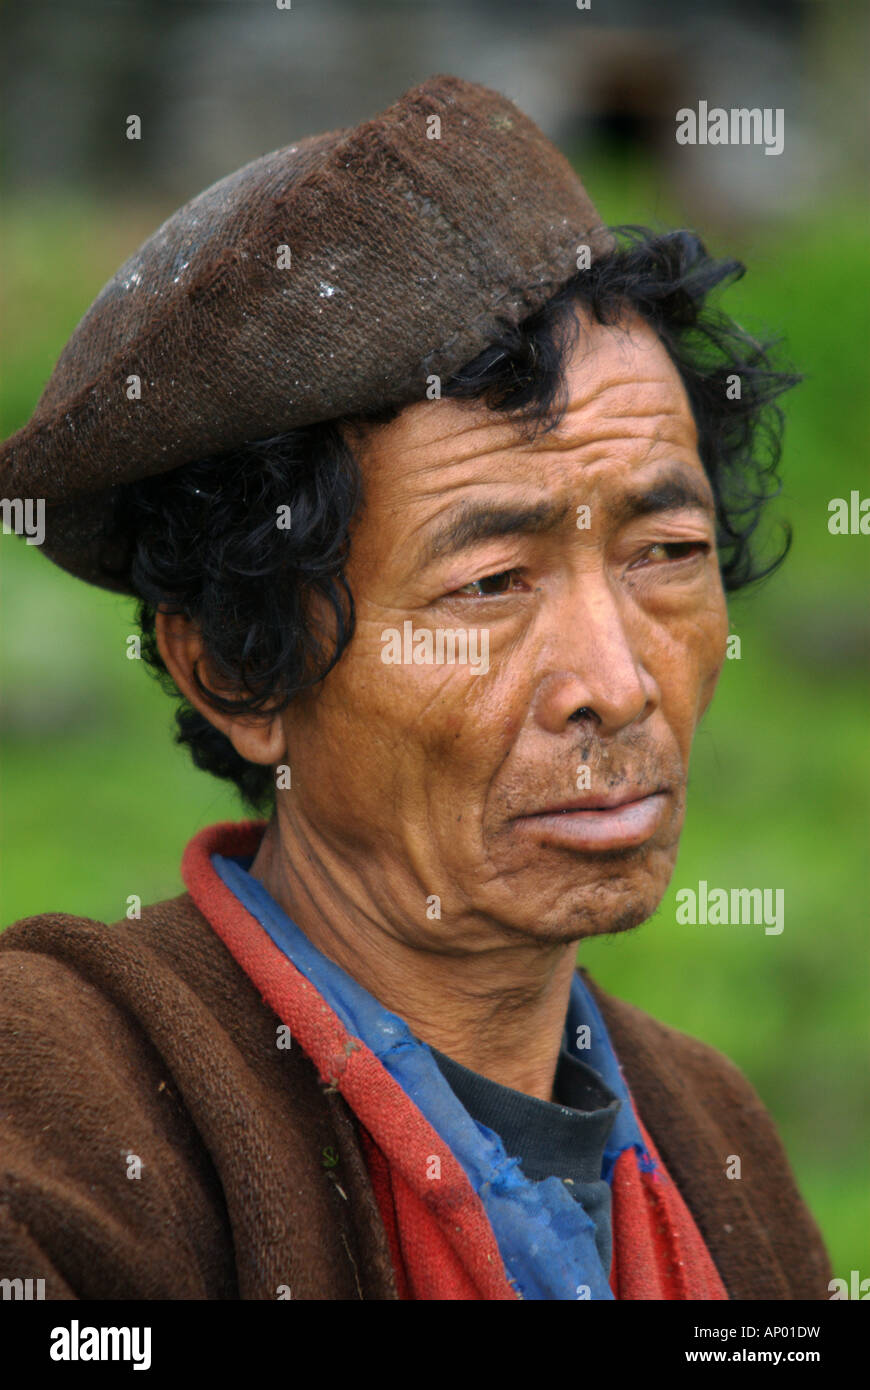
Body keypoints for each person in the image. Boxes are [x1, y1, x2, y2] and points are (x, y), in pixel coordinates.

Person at [0, 74, 830, 1300]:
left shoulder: (713, 1135)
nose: (616, 683)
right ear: (235, 665)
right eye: (491, 584)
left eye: (667, 554)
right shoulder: (63, 1114)